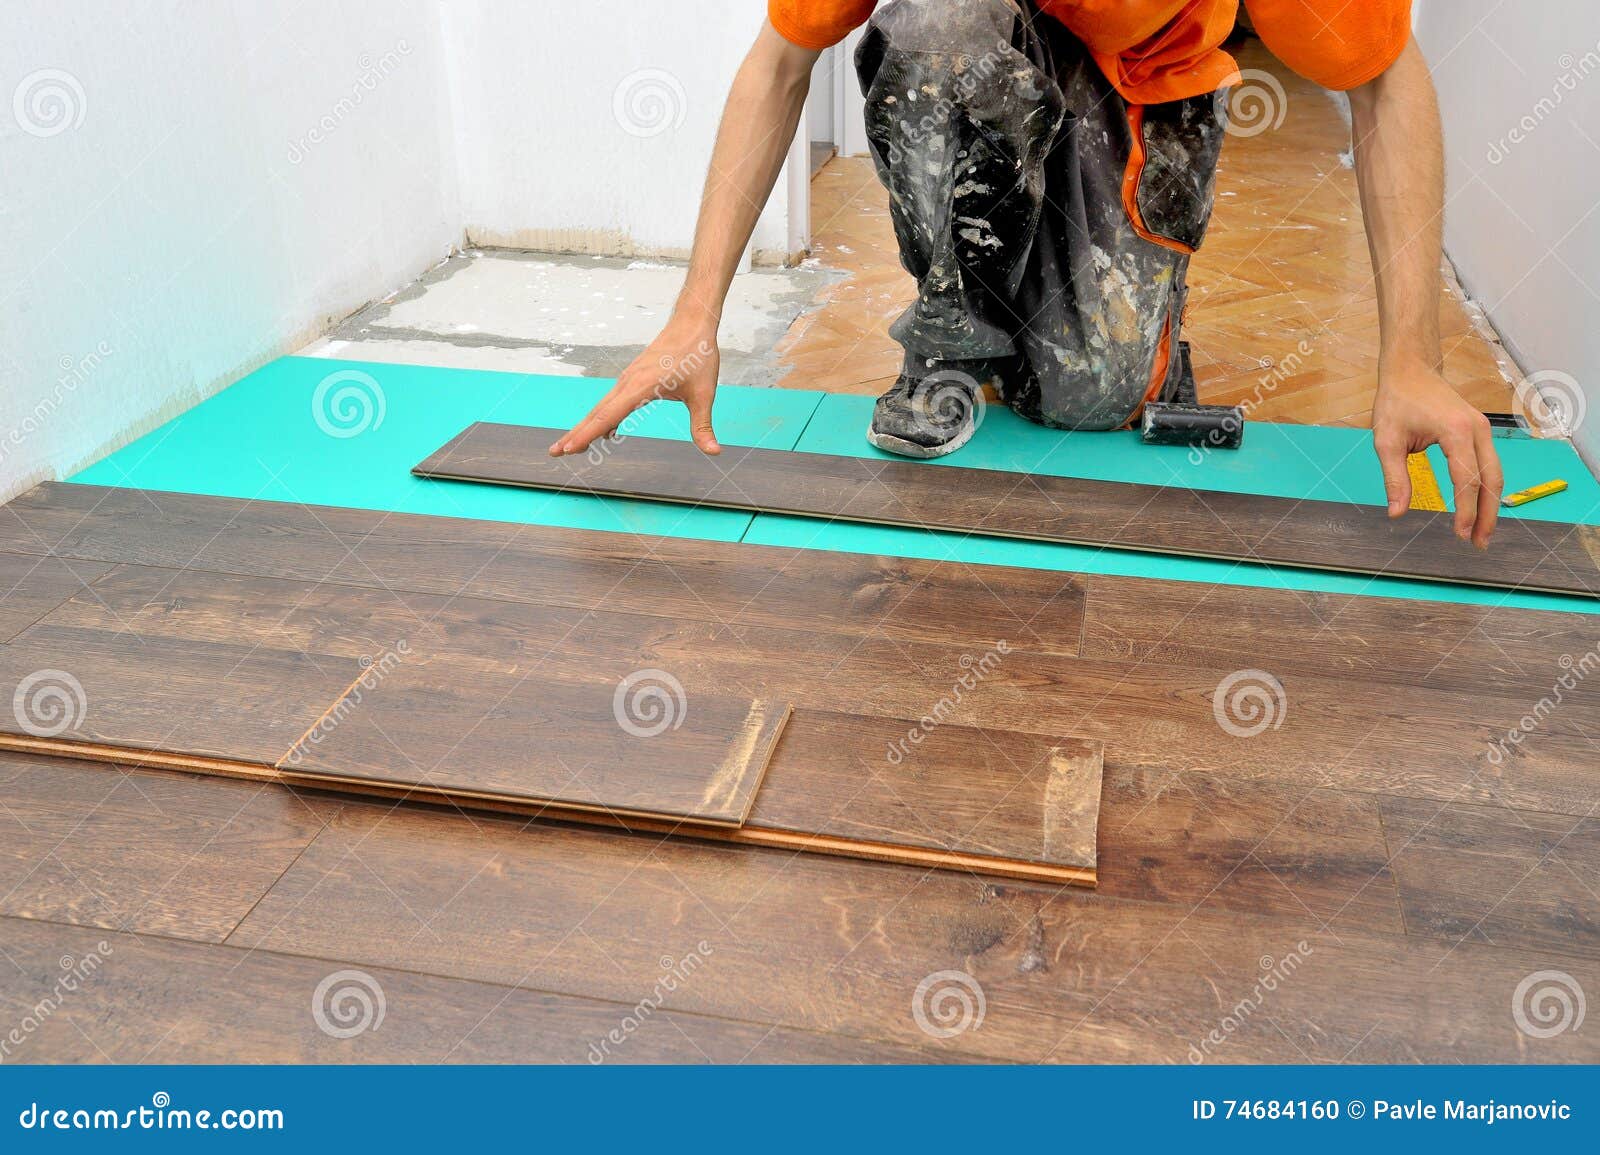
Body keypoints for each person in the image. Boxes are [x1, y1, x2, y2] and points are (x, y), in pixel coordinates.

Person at [550, 0, 1503, 548]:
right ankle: (948, 323)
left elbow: (1384, 79)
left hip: (1137, 98)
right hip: (993, 59)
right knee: (936, 24)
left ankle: (1136, 327)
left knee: (1088, 399)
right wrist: (694, 316)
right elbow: (777, 65)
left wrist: (1412, 359)